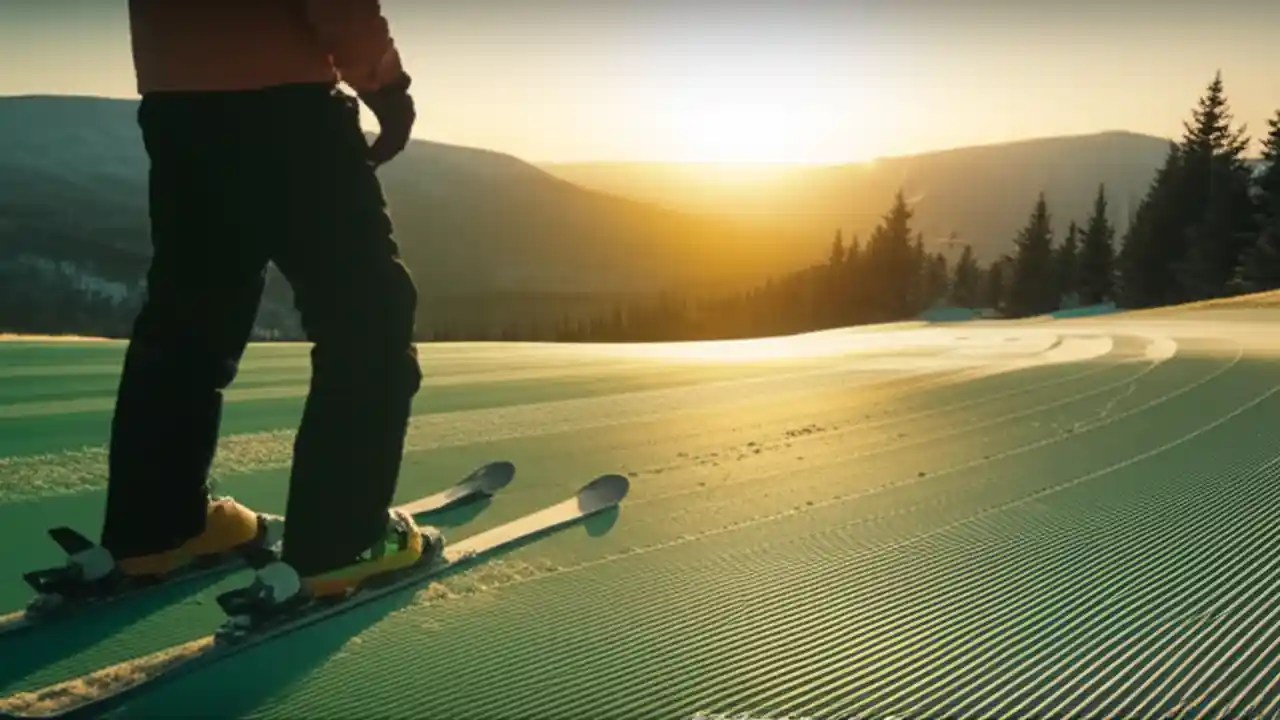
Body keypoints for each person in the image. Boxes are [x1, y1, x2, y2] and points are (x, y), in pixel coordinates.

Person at [96, 0, 426, 600]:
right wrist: (385, 84)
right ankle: (342, 542)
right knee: (368, 318)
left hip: (179, 114)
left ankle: (156, 532)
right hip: (289, 112)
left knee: (186, 326)